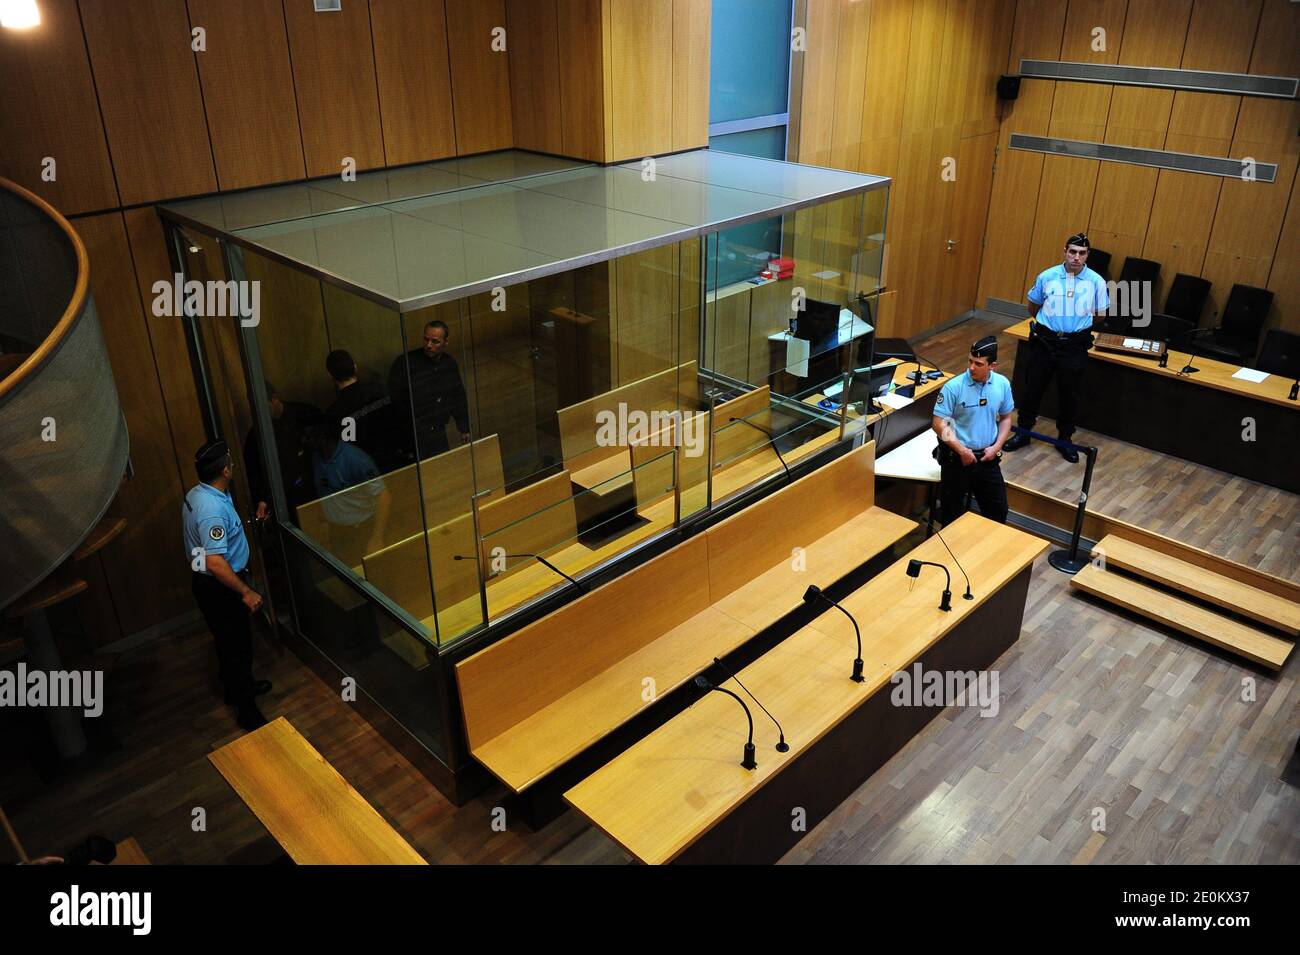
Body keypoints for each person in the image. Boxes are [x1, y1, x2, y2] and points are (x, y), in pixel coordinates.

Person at [183, 440, 271, 731]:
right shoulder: (211, 509)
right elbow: (215, 562)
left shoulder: (201, 494)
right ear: (225, 470)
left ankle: (236, 690)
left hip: (212, 584)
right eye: (230, 461)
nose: (232, 464)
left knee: (228, 643)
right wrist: (245, 591)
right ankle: (247, 712)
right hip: (220, 587)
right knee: (237, 647)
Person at [1003, 232, 1109, 463]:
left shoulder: (1096, 282)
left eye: (1081, 253)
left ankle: (1064, 440)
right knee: (1032, 389)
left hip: (1074, 346)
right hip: (1045, 342)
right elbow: (1034, 306)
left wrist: (1074, 326)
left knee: (1070, 394)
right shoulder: (1048, 276)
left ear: (1087, 255)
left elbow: (1100, 315)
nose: (1076, 257)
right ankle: (1023, 433)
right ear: (1065, 252)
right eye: (1072, 252)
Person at [932, 335, 1014, 525]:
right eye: (970, 361)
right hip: (958, 460)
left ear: (992, 366)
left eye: (978, 363)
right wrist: (961, 449)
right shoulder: (953, 387)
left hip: (988, 458)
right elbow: (939, 424)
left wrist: (996, 447)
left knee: (998, 512)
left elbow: (1006, 418)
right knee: (951, 516)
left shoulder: (1002, 384)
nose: (971, 368)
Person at [302, 412, 392, 557]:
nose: (305, 440)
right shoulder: (316, 459)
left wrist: (377, 537)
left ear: (323, 438)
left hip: (362, 529)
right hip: (338, 532)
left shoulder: (356, 460)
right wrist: (323, 523)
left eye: (309, 437)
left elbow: (384, 496)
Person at [388, 320, 471, 459]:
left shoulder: (449, 364)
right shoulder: (405, 363)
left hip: (438, 430)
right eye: (426, 339)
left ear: (446, 342)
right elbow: (395, 401)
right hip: (413, 434)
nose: (429, 345)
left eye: (435, 341)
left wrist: (464, 427)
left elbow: (457, 396)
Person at [243, 381, 316, 522]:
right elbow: (254, 473)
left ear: (274, 399)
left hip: (311, 494)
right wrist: (262, 499)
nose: (260, 413)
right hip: (284, 503)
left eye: (263, 406)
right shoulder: (256, 435)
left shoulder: (303, 414)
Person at [324, 349, 399, 471]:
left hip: (362, 472)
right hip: (392, 461)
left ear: (330, 376)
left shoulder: (334, 413)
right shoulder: (379, 392)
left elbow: (344, 451)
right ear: (355, 367)